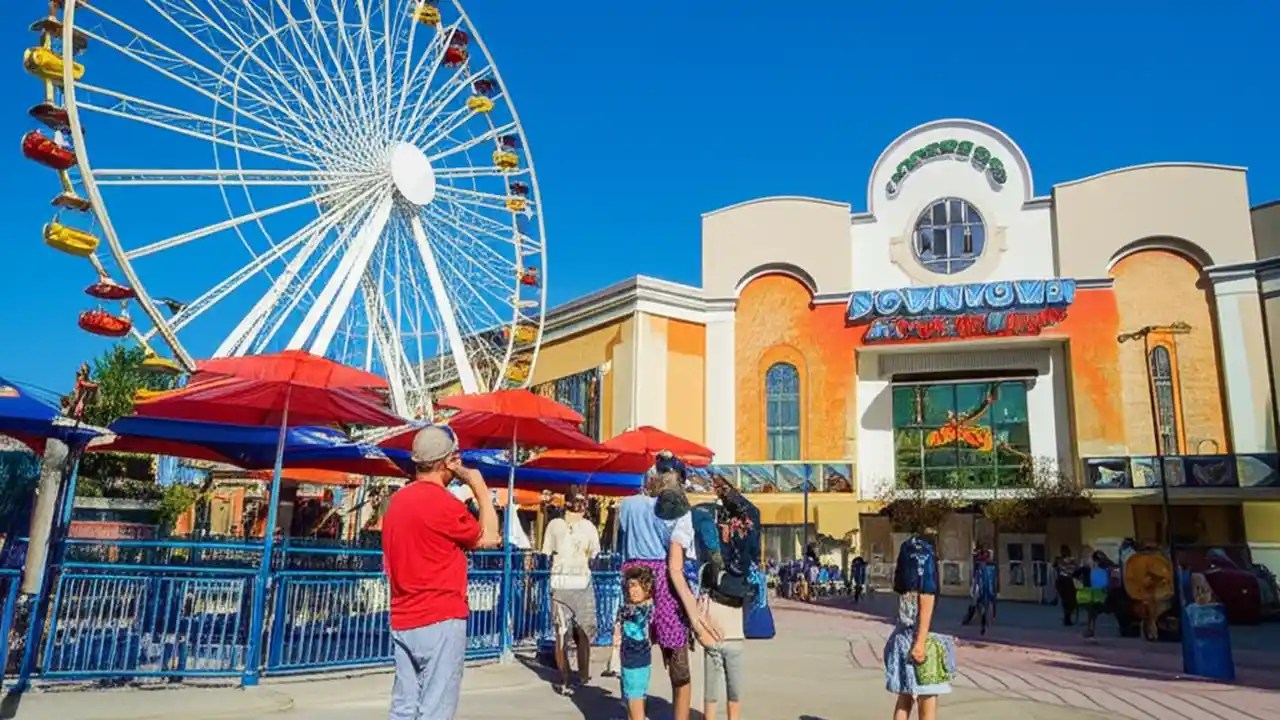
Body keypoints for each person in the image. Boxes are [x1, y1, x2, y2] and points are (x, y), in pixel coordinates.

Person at [382, 426, 500, 720]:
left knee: (403, 708)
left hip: (403, 616)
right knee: (436, 709)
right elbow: (490, 537)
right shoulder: (445, 504)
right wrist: (479, 486)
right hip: (441, 616)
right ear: (447, 462)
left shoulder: (396, 503)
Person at [616, 461, 719, 720]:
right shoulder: (677, 511)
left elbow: (622, 542)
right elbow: (675, 567)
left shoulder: (627, 505)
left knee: (634, 657)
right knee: (677, 661)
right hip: (663, 581)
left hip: (633, 578)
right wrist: (695, 616)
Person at [885, 534, 954, 720]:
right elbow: (925, 609)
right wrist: (920, 643)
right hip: (923, 644)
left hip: (902, 641)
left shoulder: (907, 586)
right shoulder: (925, 585)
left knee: (905, 697)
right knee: (928, 699)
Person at [540, 489, 601, 696]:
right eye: (578, 501)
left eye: (583, 502)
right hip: (561, 583)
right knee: (562, 633)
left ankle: (582, 675)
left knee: (583, 631)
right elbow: (547, 553)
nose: (581, 506)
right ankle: (565, 678)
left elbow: (594, 554)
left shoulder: (589, 527)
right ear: (567, 503)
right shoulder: (554, 525)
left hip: (581, 581)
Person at [615, 565, 656, 720]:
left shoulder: (646, 608)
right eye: (631, 586)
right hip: (629, 660)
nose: (633, 590)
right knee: (633, 701)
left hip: (637, 661)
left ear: (647, 588)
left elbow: (639, 613)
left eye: (637, 586)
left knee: (635, 700)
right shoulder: (629, 608)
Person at [1053, 545, 1080, 626]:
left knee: (1067, 600)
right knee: (1069, 600)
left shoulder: (1061, 560)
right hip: (1066, 581)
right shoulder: (1066, 561)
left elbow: (1056, 567)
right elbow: (1074, 570)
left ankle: (1067, 618)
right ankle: (1067, 618)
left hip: (1062, 580)